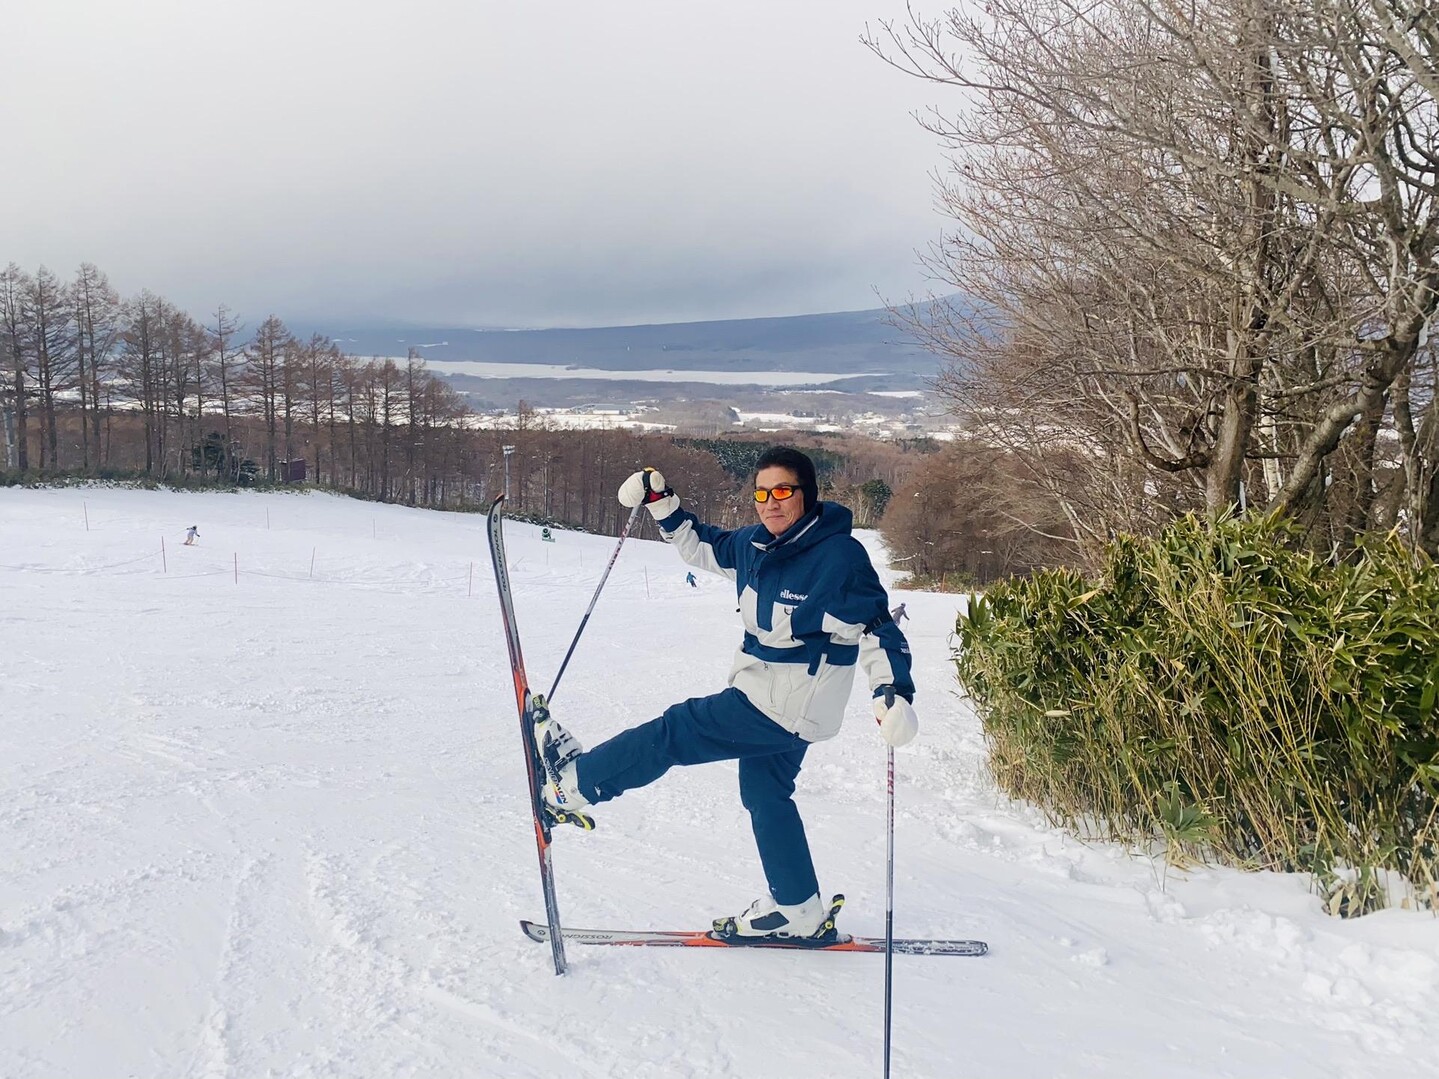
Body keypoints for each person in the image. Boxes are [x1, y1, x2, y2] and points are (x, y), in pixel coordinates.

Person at [534, 446, 918, 939]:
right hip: (769, 692)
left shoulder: (839, 558)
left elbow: (878, 628)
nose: (771, 503)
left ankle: (574, 786)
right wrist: (660, 501)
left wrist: (892, 693)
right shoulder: (755, 545)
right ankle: (799, 909)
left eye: (783, 491)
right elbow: (701, 544)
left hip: (788, 703)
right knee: (765, 791)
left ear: (807, 494)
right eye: (762, 493)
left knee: (677, 730)